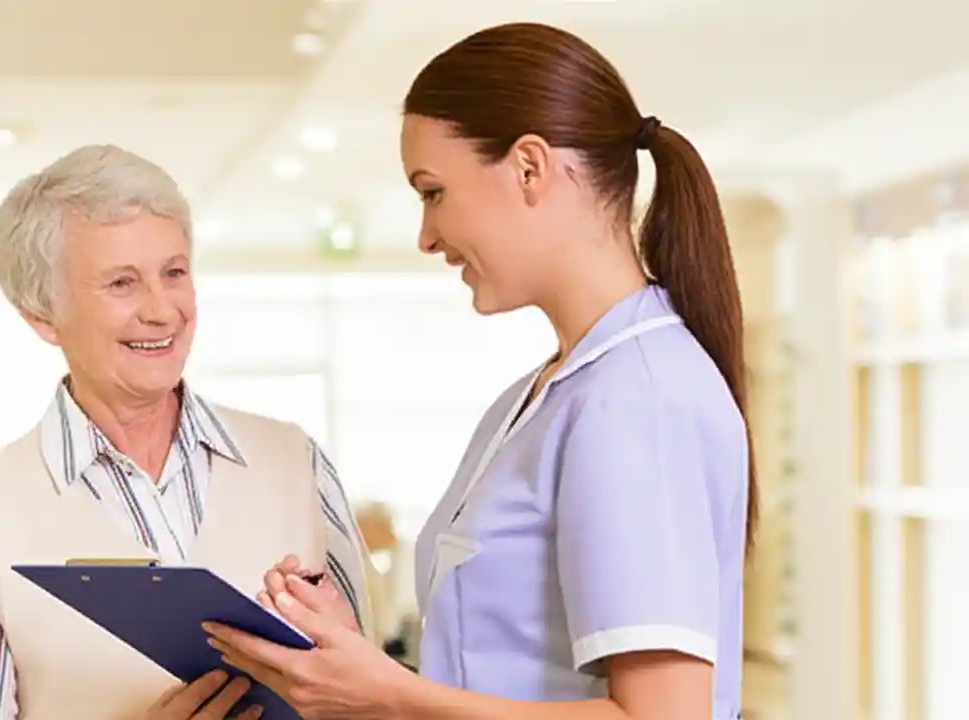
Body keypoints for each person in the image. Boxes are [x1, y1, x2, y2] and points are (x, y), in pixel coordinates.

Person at [205, 21, 754, 720]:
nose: (426, 235)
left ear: (529, 167)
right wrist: (357, 664)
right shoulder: (547, 394)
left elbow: (663, 717)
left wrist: (387, 691)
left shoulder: (637, 395)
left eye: (433, 192)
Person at [0, 145, 373, 719]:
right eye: (121, 284)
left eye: (174, 273)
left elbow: (372, 699)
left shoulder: (295, 464)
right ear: (42, 313)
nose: (162, 310)